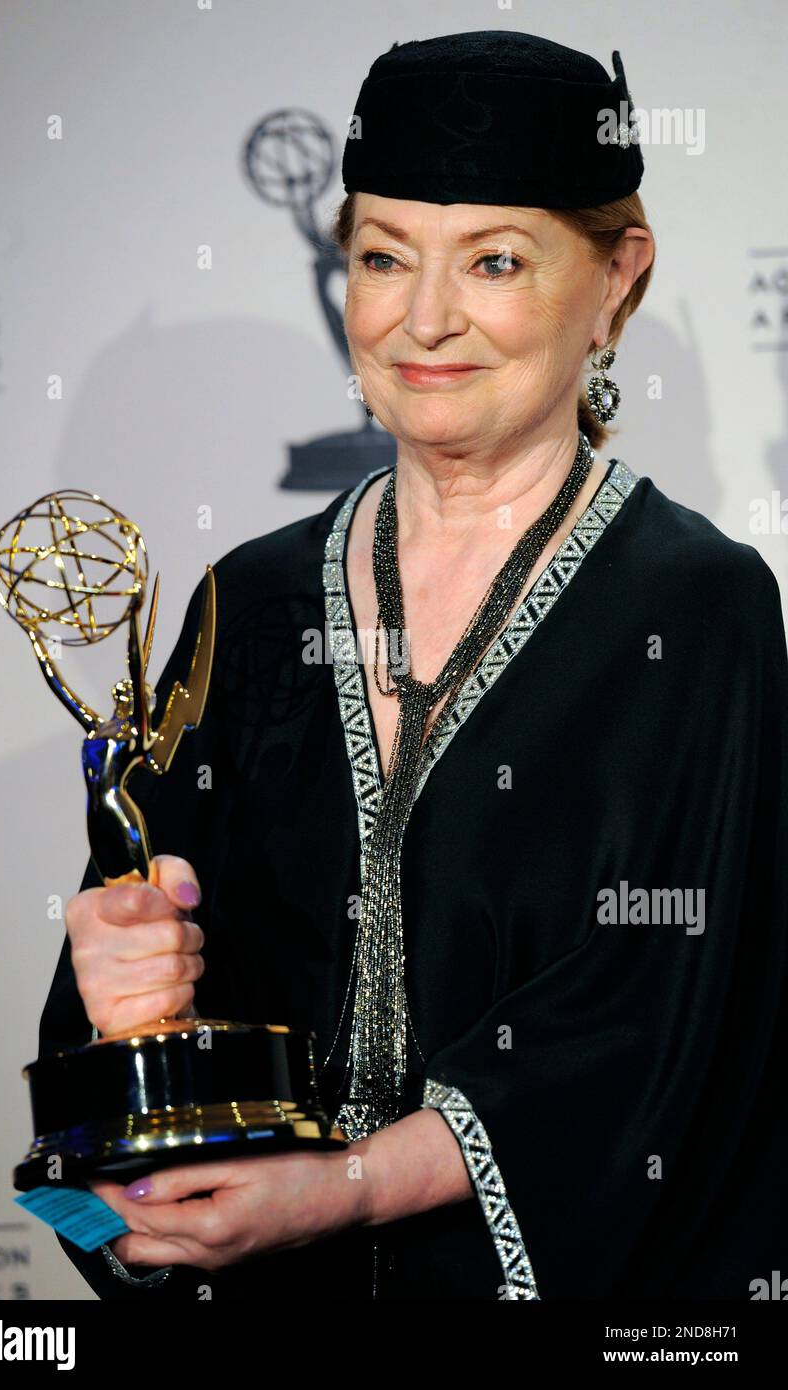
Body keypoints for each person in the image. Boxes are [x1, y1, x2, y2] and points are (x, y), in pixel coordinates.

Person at [39, 30, 788, 1300]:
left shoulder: (699, 614)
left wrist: (350, 1187)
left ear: (617, 277)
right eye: (383, 257)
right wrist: (125, 1003)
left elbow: (662, 1029)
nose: (423, 320)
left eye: (495, 261)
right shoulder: (250, 605)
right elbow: (133, 1053)